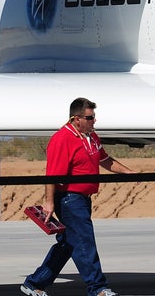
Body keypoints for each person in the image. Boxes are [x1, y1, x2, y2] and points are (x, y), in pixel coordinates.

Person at [22, 97, 136, 296]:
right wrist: (49, 202)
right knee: (84, 242)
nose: (94, 121)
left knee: (68, 244)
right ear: (76, 119)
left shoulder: (92, 137)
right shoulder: (62, 139)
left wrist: (128, 172)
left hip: (83, 198)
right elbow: (52, 175)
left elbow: (105, 160)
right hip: (69, 199)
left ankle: (34, 283)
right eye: (90, 117)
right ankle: (98, 288)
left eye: (94, 117)